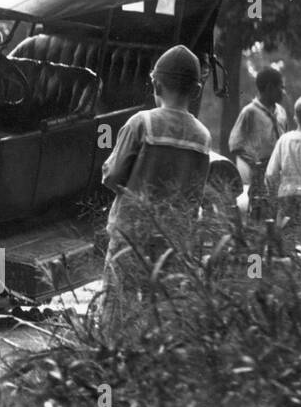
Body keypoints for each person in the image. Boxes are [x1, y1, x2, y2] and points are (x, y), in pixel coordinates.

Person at [98, 45, 211, 342]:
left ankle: (111, 367)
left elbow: (112, 175)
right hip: (173, 240)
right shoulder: (203, 137)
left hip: (130, 236)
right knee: (160, 310)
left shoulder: (142, 123)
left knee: (116, 308)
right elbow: (194, 198)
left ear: (156, 84)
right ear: (196, 91)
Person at [229, 67, 288, 218]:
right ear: (269, 88)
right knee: (259, 212)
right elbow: (235, 143)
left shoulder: (281, 112)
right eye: (281, 87)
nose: (283, 92)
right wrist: (254, 162)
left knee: (280, 213)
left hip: (281, 172)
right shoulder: (249, 112)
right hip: (261, 170)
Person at [265, 94, 301, 225]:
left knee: (285, 239)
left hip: (285, 198)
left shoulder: (284, 140)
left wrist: (274, 197)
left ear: (295, 117)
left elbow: (271, 174)